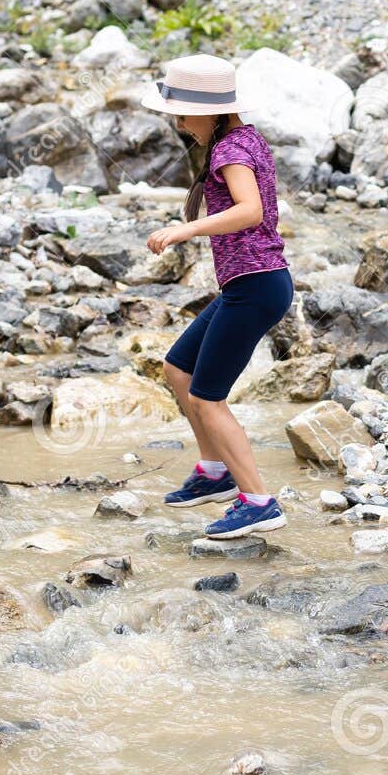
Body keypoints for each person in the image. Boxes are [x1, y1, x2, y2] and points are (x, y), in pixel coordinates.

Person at [139, 54, 294, 540]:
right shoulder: (243, 139)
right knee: (178, 369)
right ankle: (214, 472)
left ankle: (259, 502)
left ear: (210, 110)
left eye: (183, 115)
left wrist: (187, 230)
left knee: (208, 398)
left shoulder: (229, 150)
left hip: (256, 285)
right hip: (249, 284)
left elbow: (250, 211)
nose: (181, 124)